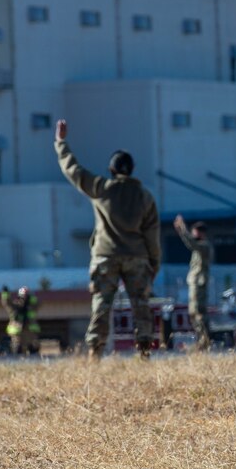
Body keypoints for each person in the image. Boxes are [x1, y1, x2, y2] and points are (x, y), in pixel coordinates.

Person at [54, 119, 160, 359]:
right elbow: (152, 234)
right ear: (132, 170)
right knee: (141, 305)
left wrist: (61, 143)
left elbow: (73, 170)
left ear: (111, 170)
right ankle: (144, 350)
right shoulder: (145, 197)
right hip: (137, 256)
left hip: (106, 256)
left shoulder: (102, 188)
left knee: (102, 305)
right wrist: (154, 264)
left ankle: (95, 351)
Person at [174, 216, 214, 350]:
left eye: (195, 232)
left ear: (201, 232)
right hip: (195, 282)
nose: (193, 234)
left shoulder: (204, 246)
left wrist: (182, 229)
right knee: (193, 312)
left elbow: (192, 243)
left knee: (199, 312)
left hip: (199, 283)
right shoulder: (199, 248)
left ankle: (204, 340)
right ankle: (201, 339)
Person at [0, 285, 41, 355]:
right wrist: (5, 294)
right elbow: (7, 303)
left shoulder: (32, 306)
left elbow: (37, 303)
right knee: (17, 348)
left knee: (34, 348)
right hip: (17, 331)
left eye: (26, 296)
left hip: (30, 330)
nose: (24, 298)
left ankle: (34, 362)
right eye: (23, 296)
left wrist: (31, 298)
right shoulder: (15, 306)